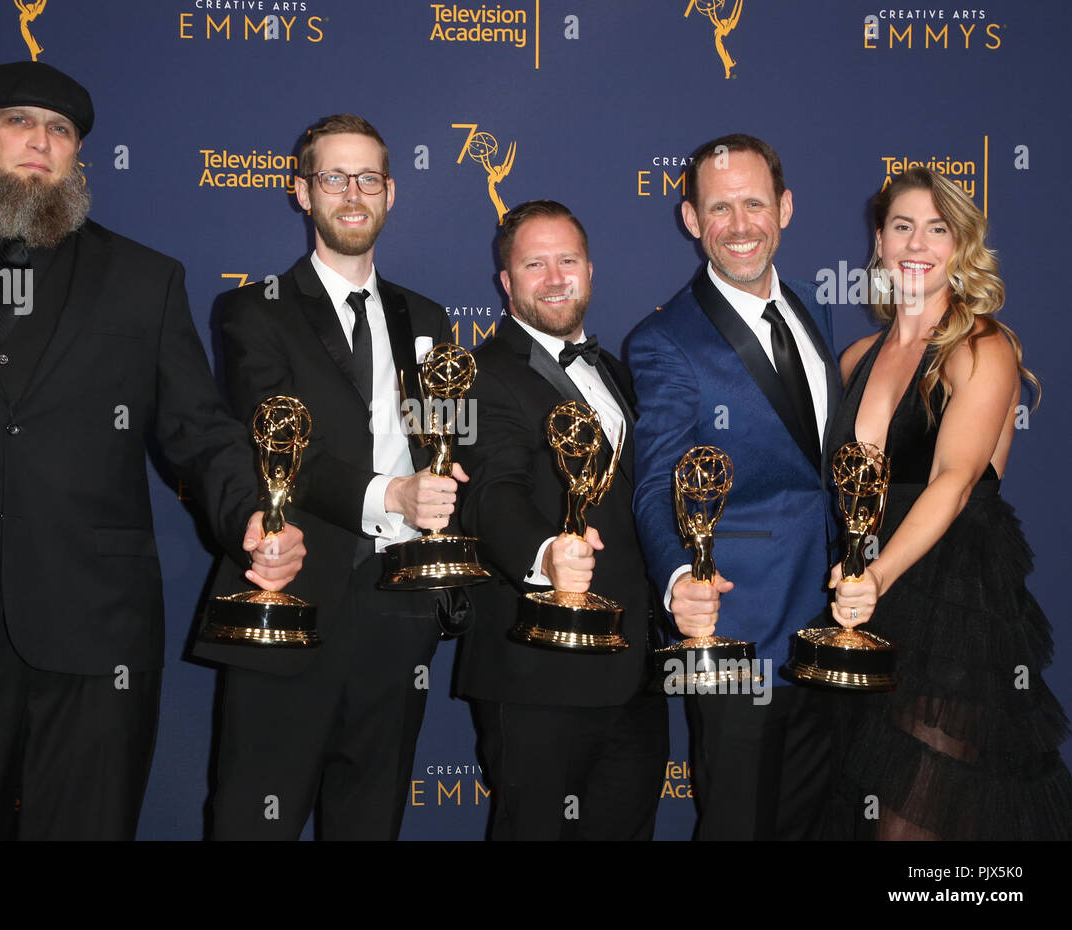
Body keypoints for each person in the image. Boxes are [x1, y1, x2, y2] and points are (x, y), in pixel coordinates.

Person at [0, 61, 304, 840]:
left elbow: (199, 430)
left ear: (77, 156)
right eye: (20, 122)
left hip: (96, 631)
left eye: (62, 131)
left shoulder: (144, 279)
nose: (41, 143)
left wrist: (253, 514)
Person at [195, 113, 463, 840]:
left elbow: (446, 441)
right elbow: (273, 447)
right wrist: (392, 494)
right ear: (301, 192)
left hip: (398, 614)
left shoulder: (430, 318)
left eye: (368, 178)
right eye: (333, 177)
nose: (353, 193)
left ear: (391, 193)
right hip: (289, 599)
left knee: (370, 824)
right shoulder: (255, 311)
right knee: (253, 821)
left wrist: (448, 486)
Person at [828, 166, 1072, 840]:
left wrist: (877, 575)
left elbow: (955, 482)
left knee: (916, 823)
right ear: (878, 240)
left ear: (960, 245)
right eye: (902, 226)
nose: (917, 243)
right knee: (861, 806)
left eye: (937, 229)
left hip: (949, 604)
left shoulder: (981, 347)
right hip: (859, 602)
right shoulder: (855, 358)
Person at [627, 134, 841, 840]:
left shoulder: (815, 307)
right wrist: (679, 579)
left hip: (832, 627)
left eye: (755, 203)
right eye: (720, 208)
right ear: (691, 219)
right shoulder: (664, 340)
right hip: (731, 631)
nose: (741, 225)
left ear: (785, 207)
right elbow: (656, 480)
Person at [455, 200, 669, 840]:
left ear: (591, 270)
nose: (555, 278)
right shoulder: (480, 377)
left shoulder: (618, 374)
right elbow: (493, 492)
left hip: (635, 667)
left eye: (568, 261)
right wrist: (545, 554)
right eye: (535, 264)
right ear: (507, 283)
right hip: (537, 664)